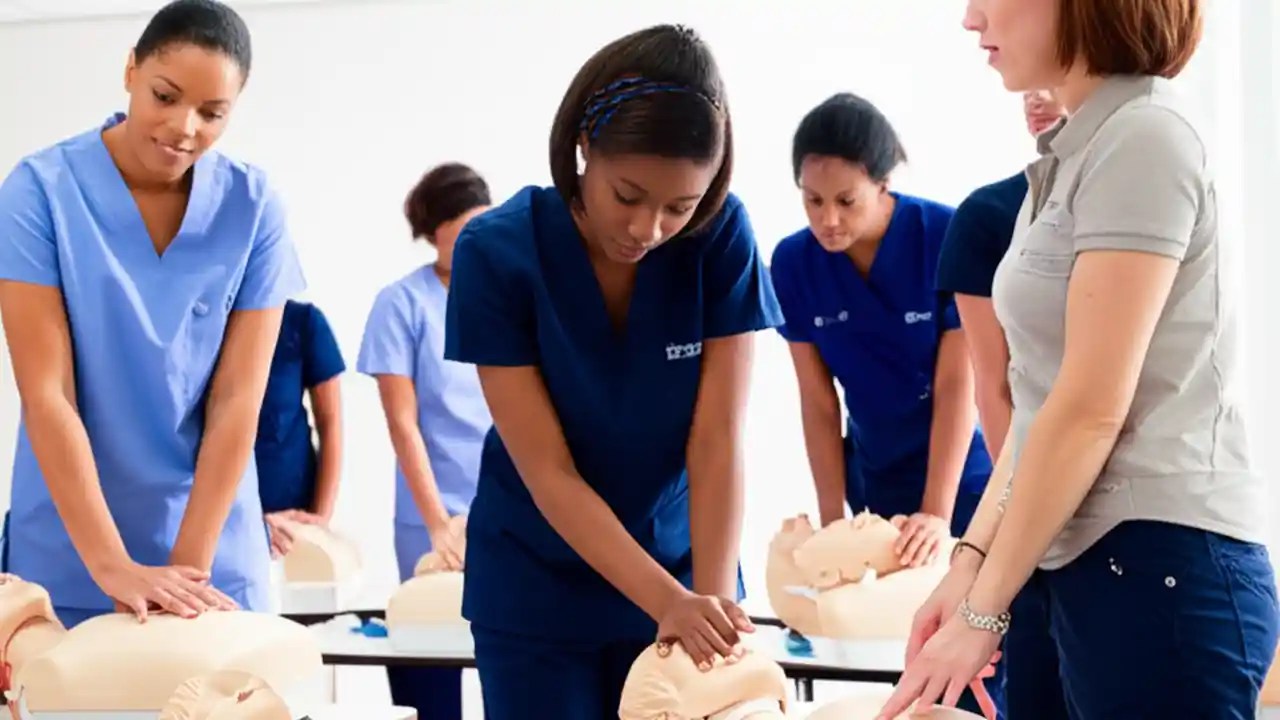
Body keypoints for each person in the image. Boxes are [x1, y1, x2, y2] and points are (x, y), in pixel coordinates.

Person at [880, 1, 1280, 718]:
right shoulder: (1076, 153)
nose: (971, 19)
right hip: (1088, 566)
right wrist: (969, 571)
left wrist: (984, 613)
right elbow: (1042, 406)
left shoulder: (1147, 137)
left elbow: (1090, 409)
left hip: (1163, 565)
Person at [443, 24, 783, 718]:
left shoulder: (720, 237)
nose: (647, 228)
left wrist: (709, 607)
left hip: (685, 565)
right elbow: (548, 471)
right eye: (627, 195)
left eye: (678, 207)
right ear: (583, 150)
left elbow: (716, 438)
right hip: (538, 586)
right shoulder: (497, 251)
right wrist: (670, 603)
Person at [0, 0, 303, 629]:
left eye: (212, 113)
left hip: (211, 552)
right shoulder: (40, 191)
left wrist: (186, 579)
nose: (183, 127)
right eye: (165, 95)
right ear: (131, 70)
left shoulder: (253, 207)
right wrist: (111, 565)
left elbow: (237, 403)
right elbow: (47, 393)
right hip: (72, 553)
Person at [769, 93, 998, 717]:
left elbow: (961, 386)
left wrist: (935, 512)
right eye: (813, 201)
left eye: (846, 200)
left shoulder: (943, 235)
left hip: (963, 485)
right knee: (909, 667)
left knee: (979, 659)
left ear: (883, 182)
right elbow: (818, 404)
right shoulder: (793, 263)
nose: (828, 220)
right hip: (875, 483)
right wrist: (831, 521)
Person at [357, 162, 493, 720]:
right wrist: (438, 524)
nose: (475, 243)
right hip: (429, 511)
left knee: (512, 654)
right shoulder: (402, 303)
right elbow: (402, 423)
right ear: (432, 230)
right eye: (462, 231)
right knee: (430, 654)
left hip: (506, 508)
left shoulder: (508, 296)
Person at [935, 90, 1065, 460]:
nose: (1036, 100)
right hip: (1040, 465)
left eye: (1051, 81)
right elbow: (994, 389)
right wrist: (1015, 503)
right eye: (1028, 88)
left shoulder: (1141, 194)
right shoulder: (986, 217)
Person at [254, 299, 345, 558]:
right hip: (224, 523)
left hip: (294, 520)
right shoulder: (204, 323)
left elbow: (330, 424)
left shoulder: (302, 322)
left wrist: (319, 521)